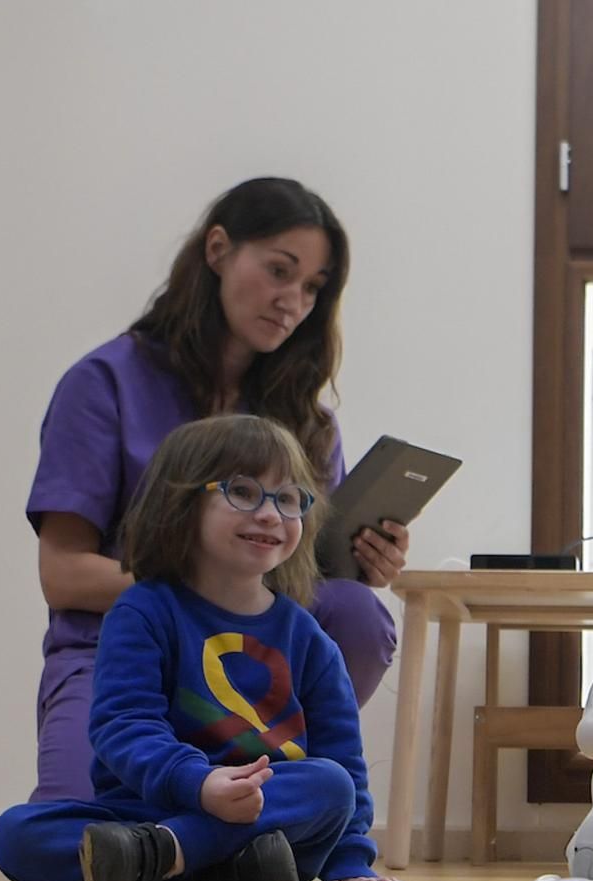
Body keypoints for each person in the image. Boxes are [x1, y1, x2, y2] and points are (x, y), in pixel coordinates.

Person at [28, 177, 405, 803]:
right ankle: (223, 819)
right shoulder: (102, 384)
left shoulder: (308, 424)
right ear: (218, 250)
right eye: (280, 271)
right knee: (71, 833)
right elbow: (63, 574)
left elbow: (308, 578)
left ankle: (246, 795)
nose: (294, 301)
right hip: (119, 649)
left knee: (359, 610)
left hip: (256, 661)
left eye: (313, 288)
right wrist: (202, 598)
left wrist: (366, 563)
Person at [0, 415, 415, 881]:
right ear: (181, 504)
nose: (270, 514)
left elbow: (344, 760)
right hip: (151, 812)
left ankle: (159, 860)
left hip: (266, 824)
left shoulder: (310, 639)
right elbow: (124, 726)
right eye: (243, 491)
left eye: (287, 498)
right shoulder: (142, 611)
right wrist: (199, 783)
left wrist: (348, 859)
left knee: (329, 784)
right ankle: (204, 870)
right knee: (16, 833)